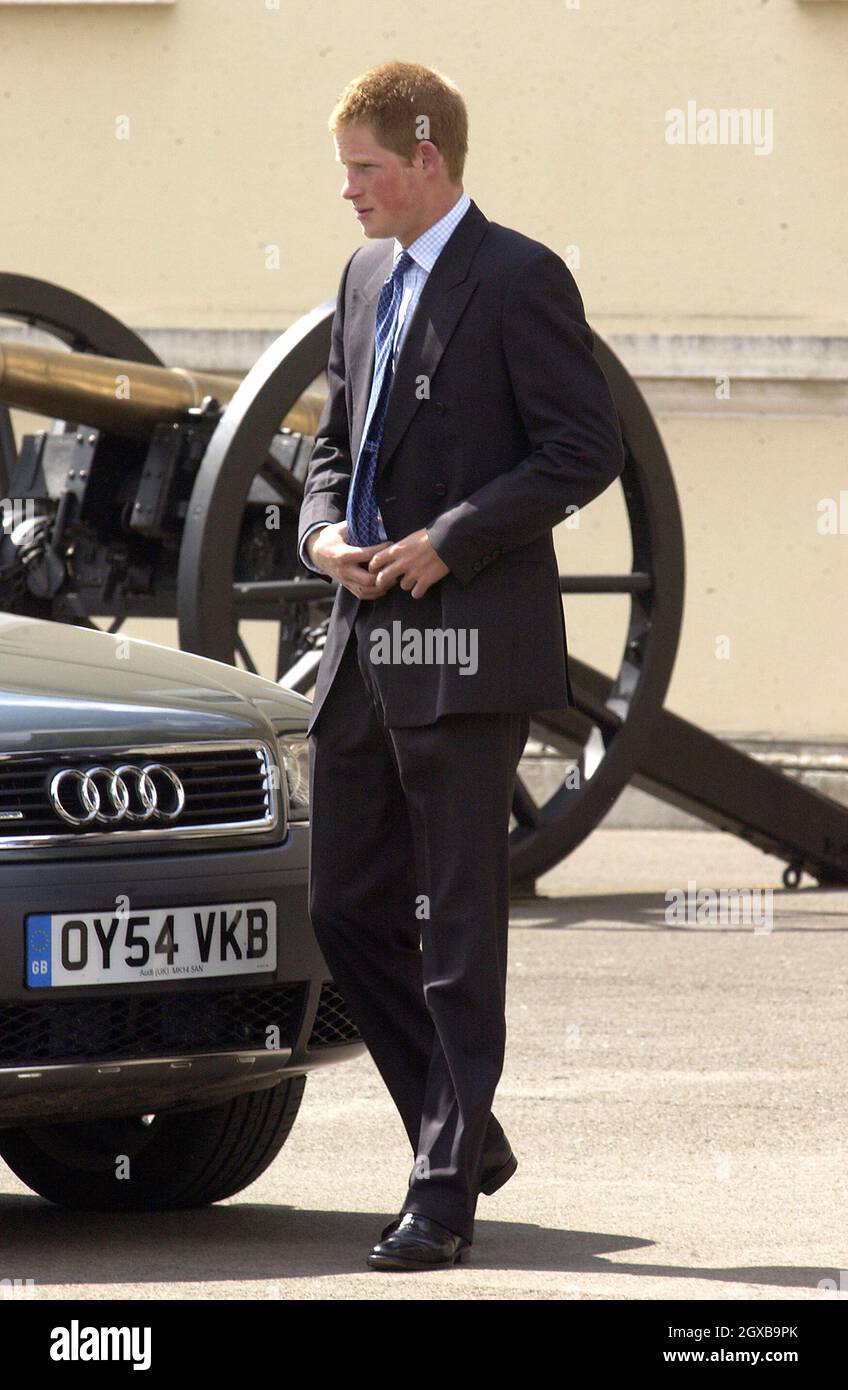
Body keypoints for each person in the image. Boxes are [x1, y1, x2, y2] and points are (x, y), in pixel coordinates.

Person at [297, 59, 624, 1271]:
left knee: (455, 926)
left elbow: (579, 448)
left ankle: (441, 1192)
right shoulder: (360, 274)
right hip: (357, 643)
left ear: (426, 156)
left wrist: (449, 540)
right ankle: (465, 1128)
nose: (349, 192)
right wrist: (323, 532)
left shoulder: (521, 276)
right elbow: (330, 450)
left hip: (467, 642)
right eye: (346, 171)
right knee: (341, 907)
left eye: (365, 169)